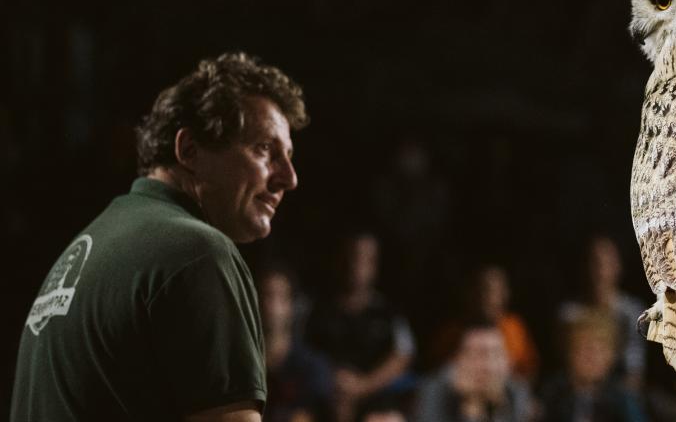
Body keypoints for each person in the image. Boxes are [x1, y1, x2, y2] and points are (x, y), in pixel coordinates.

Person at [10, 52, 308, 421]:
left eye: (289, 155)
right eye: (264, 149)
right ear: (189, 150)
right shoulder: (198, 254)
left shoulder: (88, 247)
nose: (289, 177)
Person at [306, 233, 417, 422]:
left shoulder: (388, 313)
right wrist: (333, 379)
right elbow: (303, 351)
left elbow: (403, 355)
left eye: (366, 259)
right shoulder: (318, 310)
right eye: (352, 256)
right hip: (325, 394)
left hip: (374, 397)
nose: (356, 265)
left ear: (375, 266)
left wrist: (363, 385)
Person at [558, 235, 646, 390]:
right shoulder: (570, 314)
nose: (601, 271)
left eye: (607, 264)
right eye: (596, 263)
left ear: (618, 267)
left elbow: (634, 369)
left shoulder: (632, 313)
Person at [429, 265, 540, 382]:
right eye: (482, 289)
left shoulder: (514, 328)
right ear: (470, 293)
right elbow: (436, 374)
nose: (487, 297)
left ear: (505, 294)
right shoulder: (452, 332)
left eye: (495, 291)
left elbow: (529, 371)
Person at [540, 310, 646, 422]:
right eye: (584, 348)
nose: (591, 357)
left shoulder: (623, 400)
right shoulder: (551, 395)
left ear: (611, 357)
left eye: (599, 351)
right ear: (569, 352)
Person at [259, 264, 334, 422]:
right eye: (266, 295)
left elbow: (307, 415)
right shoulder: (241, 364)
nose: (271, 305)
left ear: (291, 306)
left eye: (280, 296)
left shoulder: (311, 365)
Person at [415, 321, 531, 422]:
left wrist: (500, 408)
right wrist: (470, 407)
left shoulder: (515, 391)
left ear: (507, 361)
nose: (488, 366)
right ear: (458, 360)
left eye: (496, 354)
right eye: (478, 354)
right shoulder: (434, 391)